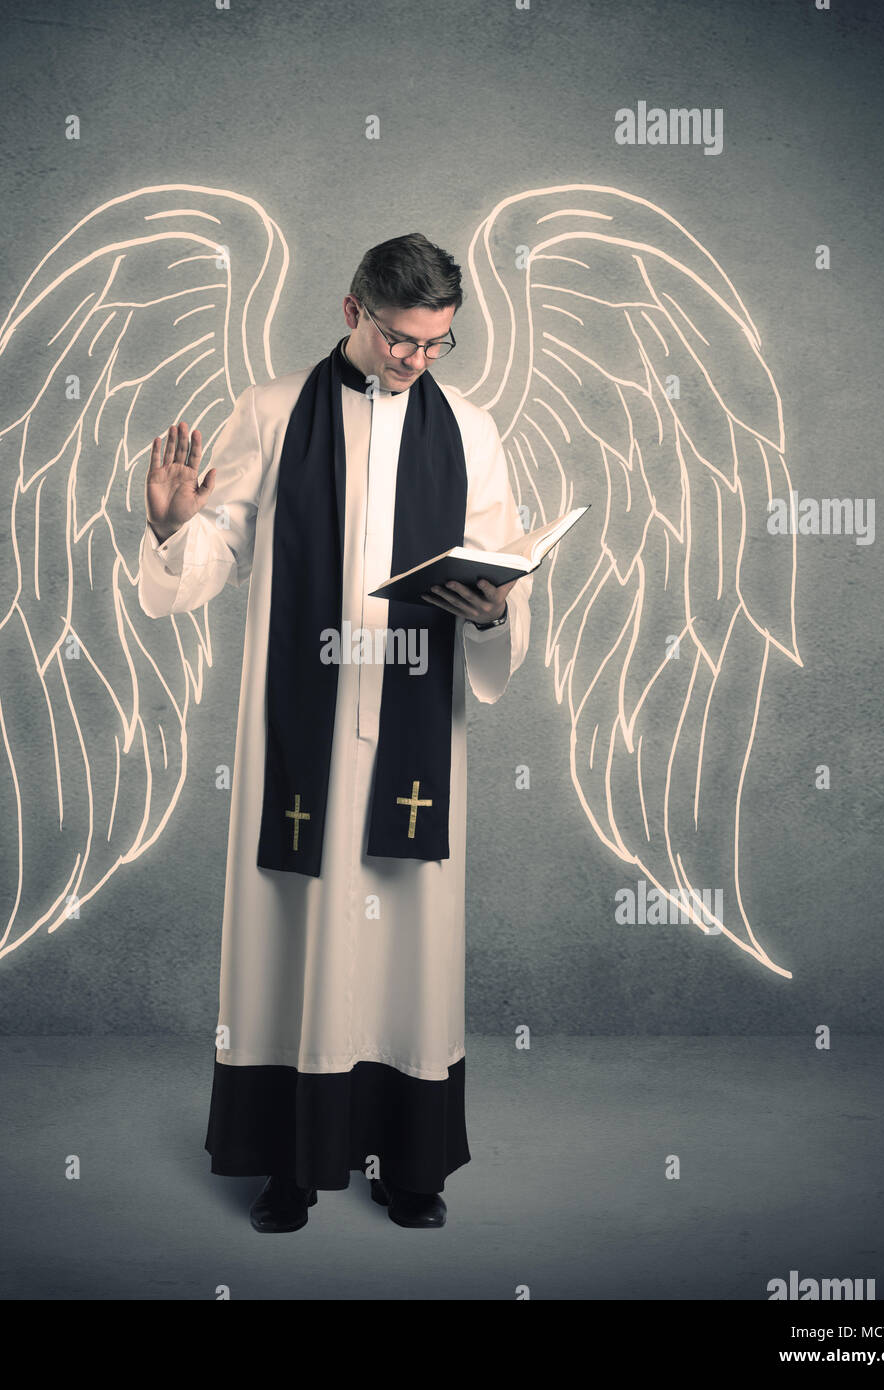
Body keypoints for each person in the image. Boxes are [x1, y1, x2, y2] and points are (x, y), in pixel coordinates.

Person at [137, 232, 532, 1232]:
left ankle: (409, 1164)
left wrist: (492, 611)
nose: (417, 361)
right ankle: (287, 1159)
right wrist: (171, 526)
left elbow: (499, 564)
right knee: (289, 937)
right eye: (402, 339)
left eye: (438, 345)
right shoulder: (273, 412)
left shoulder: (471, 430)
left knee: (408, 943)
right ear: (353, 308)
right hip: (300, 736)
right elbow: (213, 552)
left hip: (411, 736)